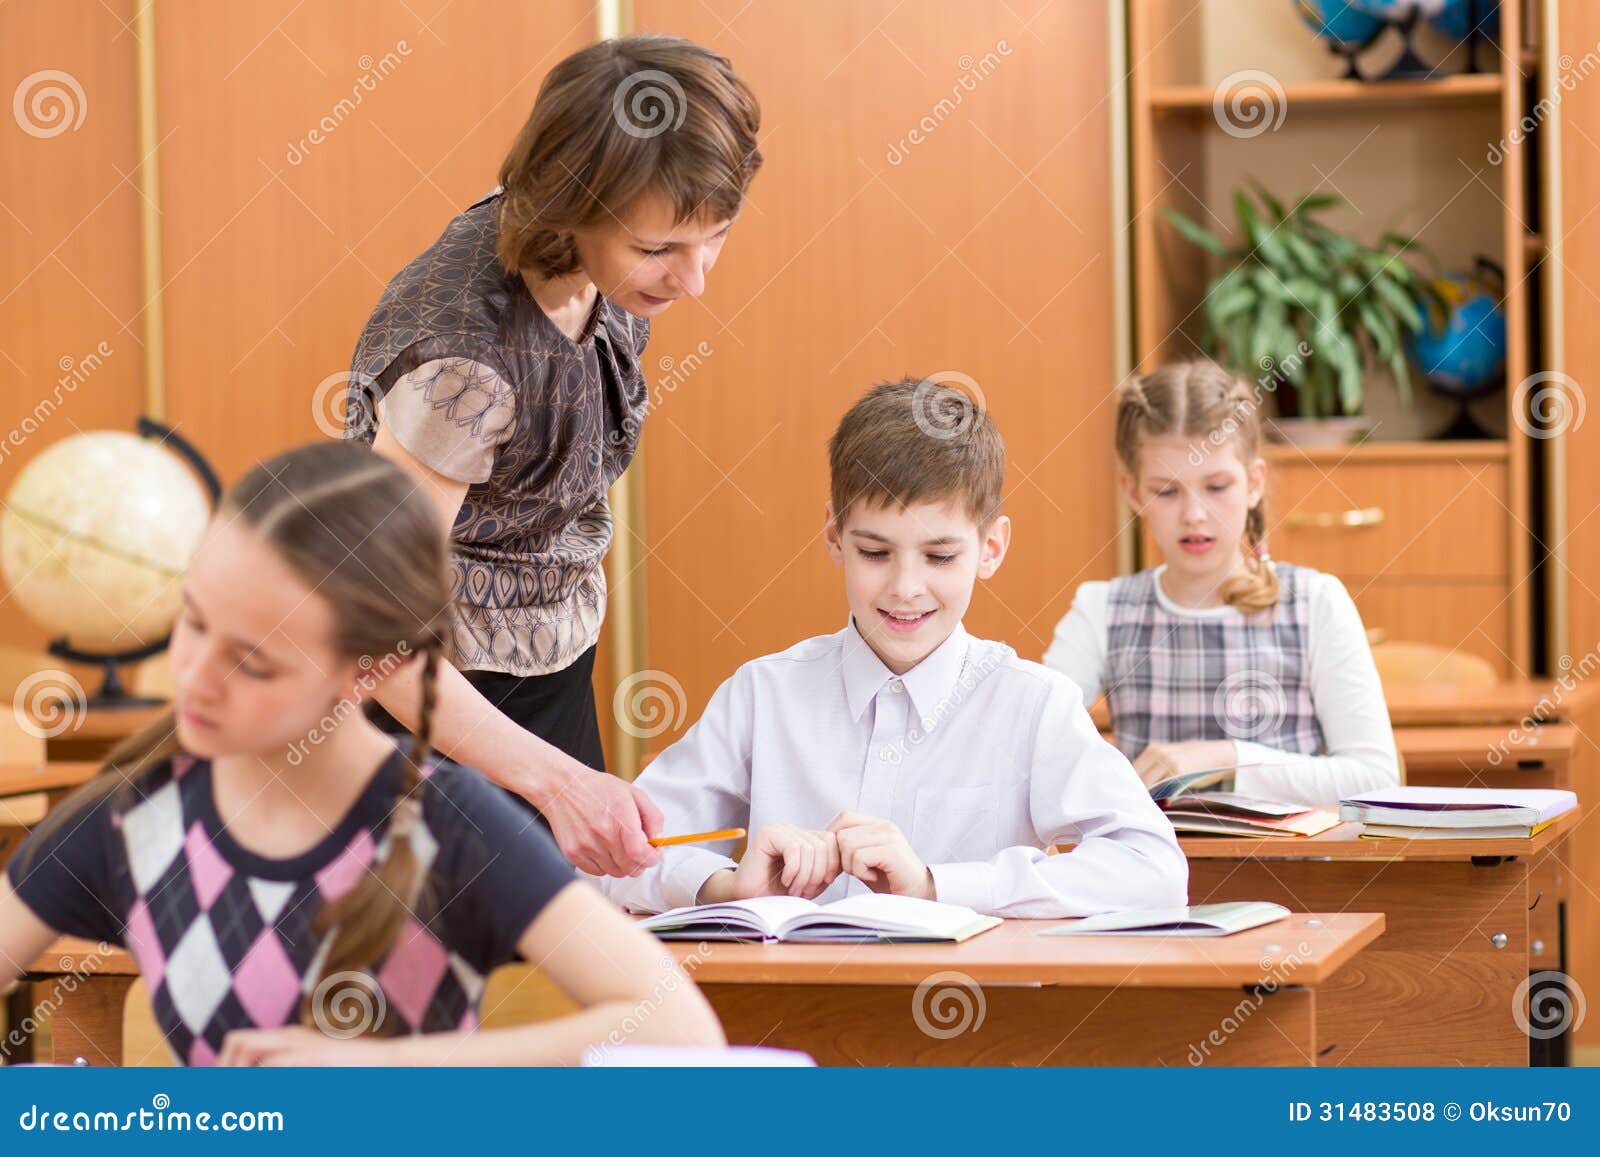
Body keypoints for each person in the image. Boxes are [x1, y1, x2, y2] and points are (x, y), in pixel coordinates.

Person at [0, 442, 723, 1065]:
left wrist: (385, 1068)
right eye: (192, 623)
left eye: (253, 663)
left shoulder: (447, 823)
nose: (194, 677)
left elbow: (681, 1029)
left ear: (373, 670)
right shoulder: (138, 813)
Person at [344, 35, 762, 877]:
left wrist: (567, 776)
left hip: (552, 668)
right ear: (565, 203)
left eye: (714, 236)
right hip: (433, 708)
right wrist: (554, 783)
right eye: (658, 250)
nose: (695, 280)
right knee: (450, 987)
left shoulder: (610, 260)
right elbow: (369, 637)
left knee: (572, 945)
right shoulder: (460, 363)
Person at [599, 379, 1188, 919]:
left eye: (939, 556)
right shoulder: (762, 694)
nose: (906, 588)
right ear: (835, 537)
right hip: (783, 1016)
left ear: (991, 548)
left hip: (983, 1026)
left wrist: (936, 884)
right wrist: (725, 886)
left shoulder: (1033, 706)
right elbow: (607, 860)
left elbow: (1155, 872)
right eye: (875, 553)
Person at [1042, 359, 1399, 807]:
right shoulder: (1101, 609)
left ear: (1253, 483)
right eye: (1167, 492)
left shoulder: (1316, 602)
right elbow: (1036, 741)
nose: (1194, 514)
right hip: (1156, 876)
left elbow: (1377, 780)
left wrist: (1228, 759)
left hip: (1294, 877)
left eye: (1216, 487)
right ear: (1133, 493)